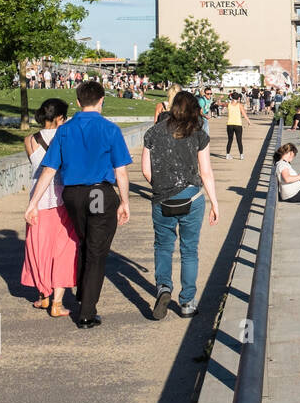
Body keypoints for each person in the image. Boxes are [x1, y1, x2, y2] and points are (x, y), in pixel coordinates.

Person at [25, 79, 132, 330]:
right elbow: (121, 171)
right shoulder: (110, 129)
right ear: (102, 100)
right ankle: (86, 311)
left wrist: (34, 202)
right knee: (97, 251)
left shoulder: (65, 130)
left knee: (84, 242)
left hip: (72, 196)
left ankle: (84, 292)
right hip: (98, 194)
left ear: (77, 102)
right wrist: (125, 201)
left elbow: (49, 169)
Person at [142, 91, 219, 319]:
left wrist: (160, 187)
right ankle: (187, 303)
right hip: (192, 198)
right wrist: (214, 203)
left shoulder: (153, 132)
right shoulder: (197, 134)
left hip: (163, 198)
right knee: (189, 251)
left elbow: (147, 171)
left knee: (163, 246)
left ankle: (164, 287)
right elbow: (205, 172)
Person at [21, 99, 79, 317]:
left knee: (39, 251)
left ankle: (43, 296)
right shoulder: (66, 138)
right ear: (60, 118)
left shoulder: (29, 140)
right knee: (63, 252)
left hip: (37, 202)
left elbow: (38, 167)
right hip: (61, 201)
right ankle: (57, 302)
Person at [223, 91, 252, 160]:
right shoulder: (239, 105)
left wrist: (219, 99)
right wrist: (248, 121)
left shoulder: (229, 104)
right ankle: (241, 155)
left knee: (230, 140)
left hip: (229, 124)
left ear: (232, 97)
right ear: (238, 98)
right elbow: (244, 114)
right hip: (238, 124)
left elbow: (221, 104)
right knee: (239, 140)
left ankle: (227, 155)